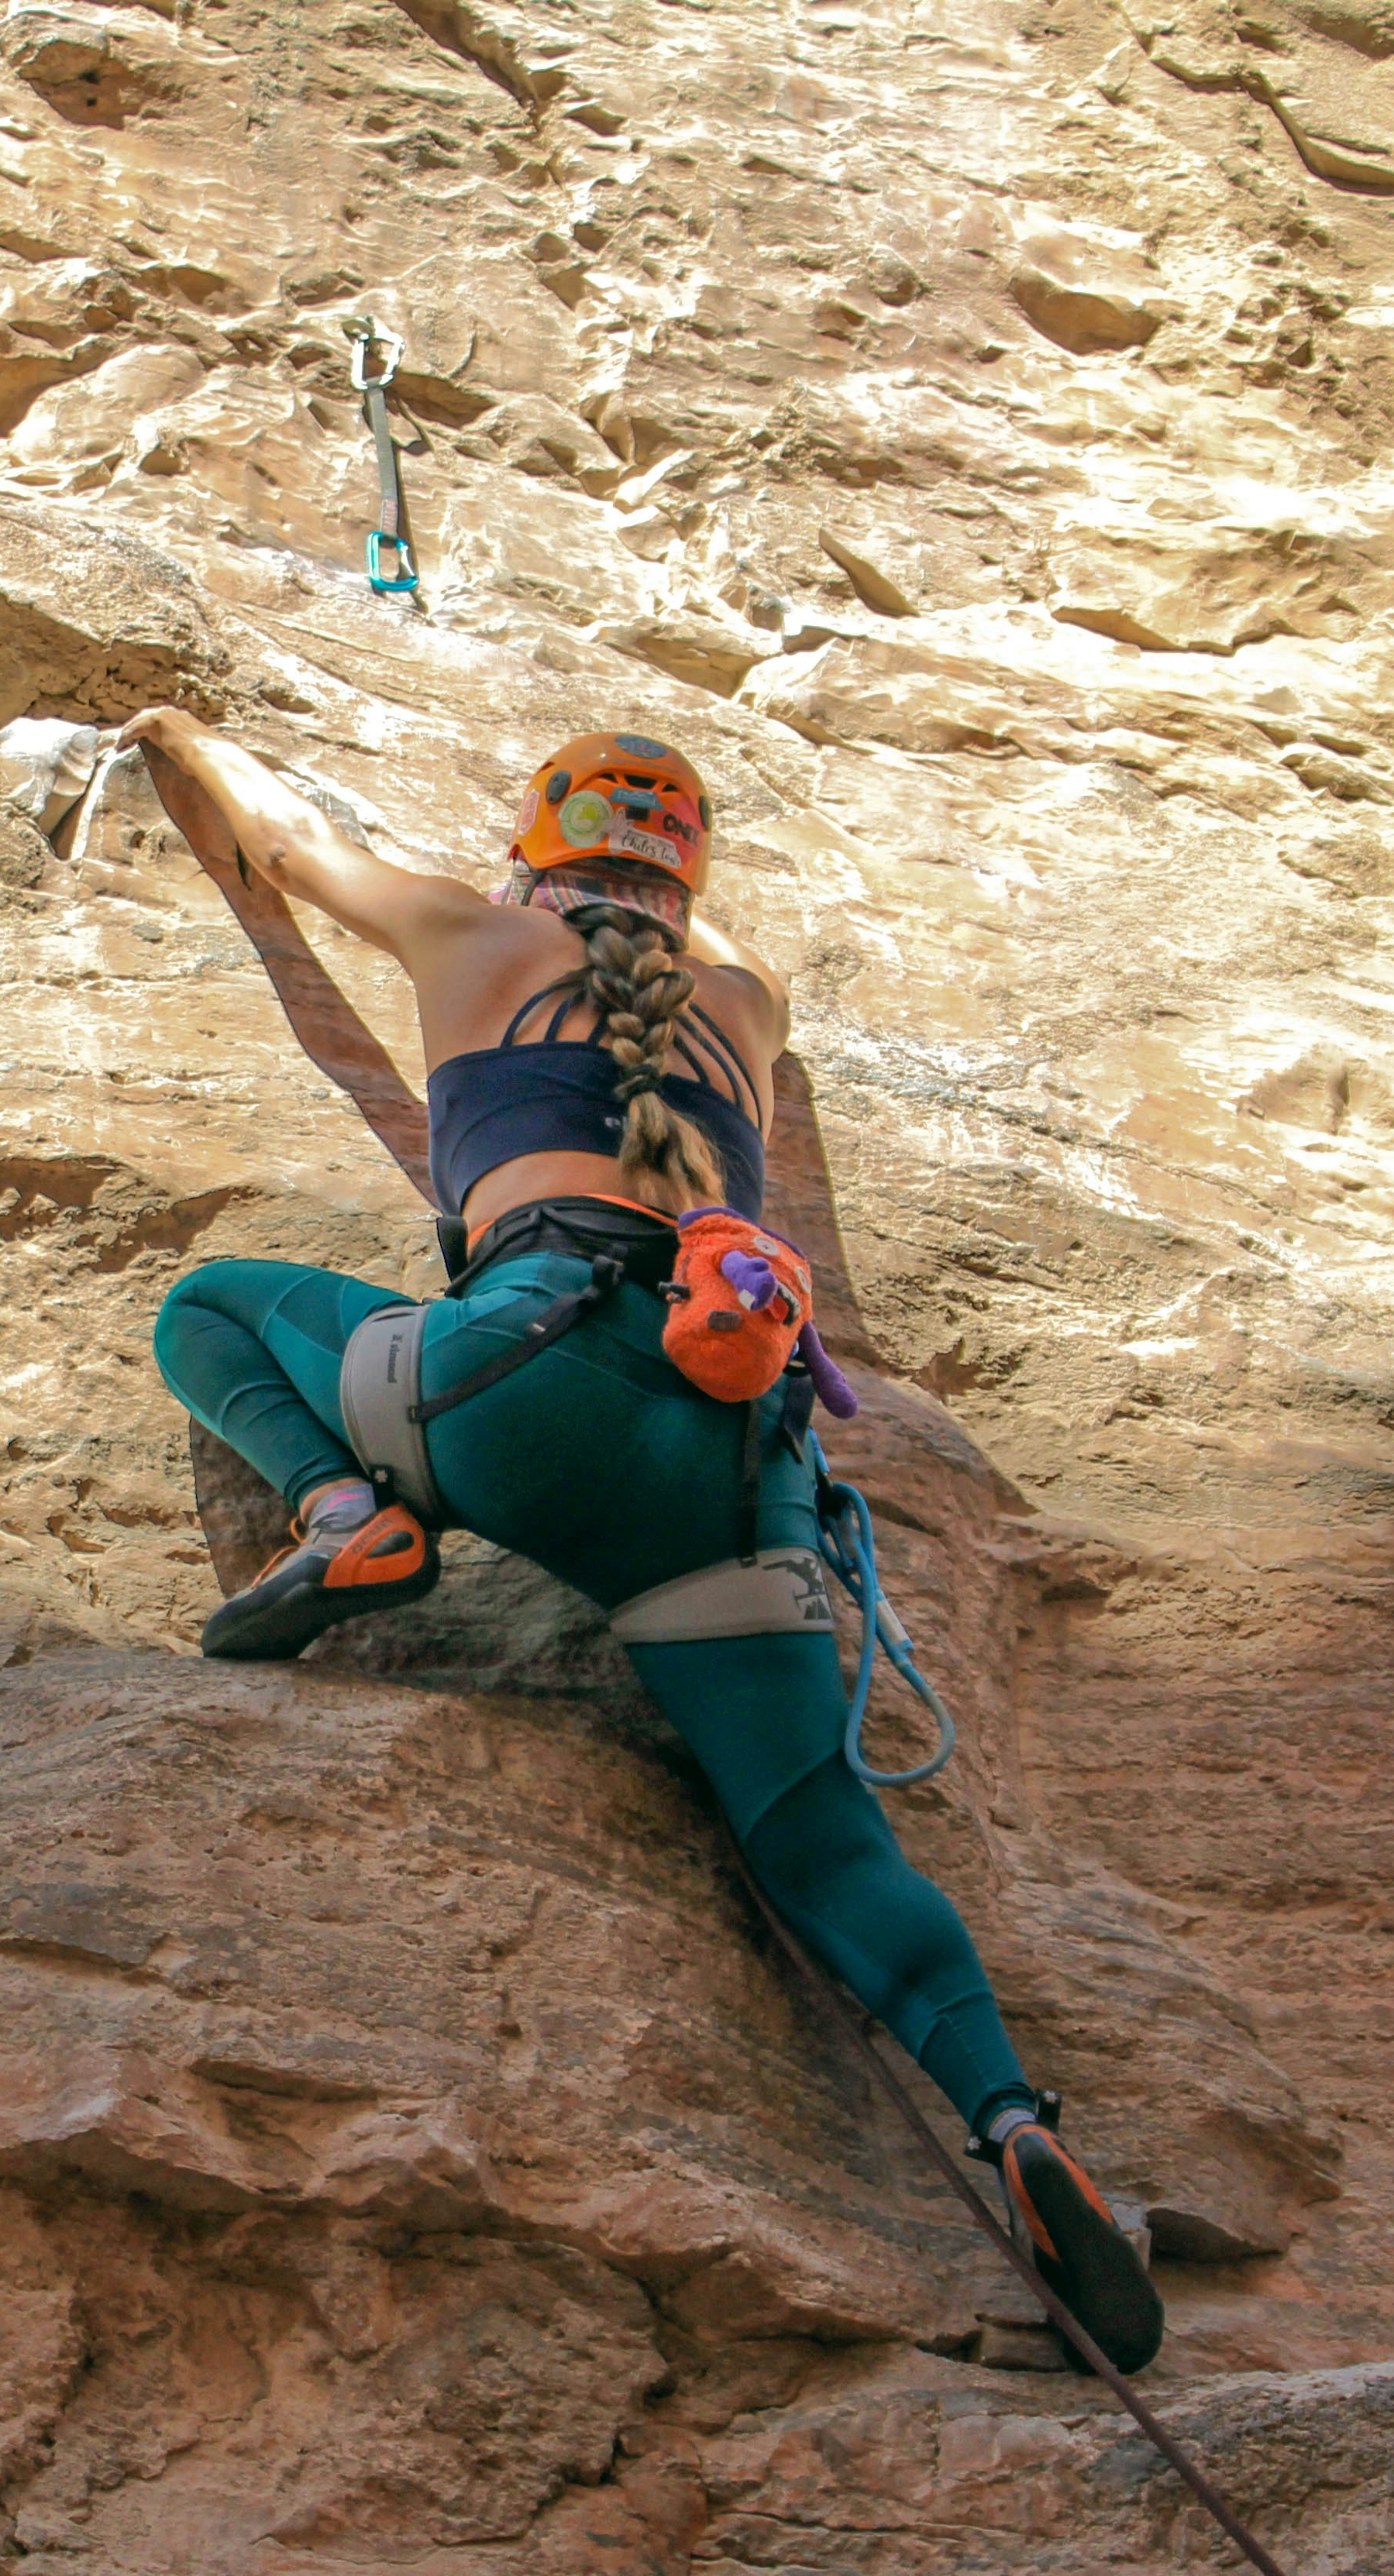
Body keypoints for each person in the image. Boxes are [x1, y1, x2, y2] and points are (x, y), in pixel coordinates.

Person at [123, 710, 1167, 2374]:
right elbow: (709, 972)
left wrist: (189, 736)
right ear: (692, 879)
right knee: (824, 1844)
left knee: (210, 1309)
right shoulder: (746, 1007)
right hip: (731, 1459)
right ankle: (1012, 2117)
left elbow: (287, 846)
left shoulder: (469, 932)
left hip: (518, 1380)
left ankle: (348, 1522)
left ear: (534, 848)